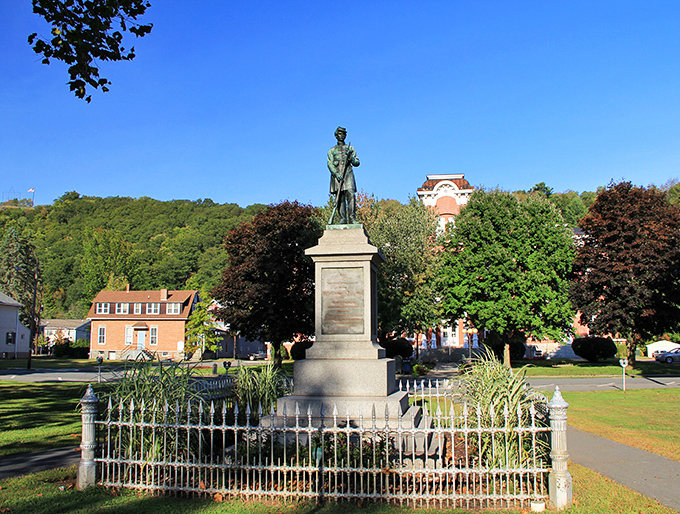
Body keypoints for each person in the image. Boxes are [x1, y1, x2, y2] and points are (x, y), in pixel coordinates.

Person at [328, 126, 360, 224]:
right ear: (336, 136)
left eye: (343, 134)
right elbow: (330, 164)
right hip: (337, 176)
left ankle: (352, 218)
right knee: (340, 198)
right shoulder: (332, 151)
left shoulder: (350, 148)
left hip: (348, 174)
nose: (341, 136)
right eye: (339, 134)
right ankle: (342, 218)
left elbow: (357, 163)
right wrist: (336, 174)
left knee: (351, 195)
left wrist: (350, 157)